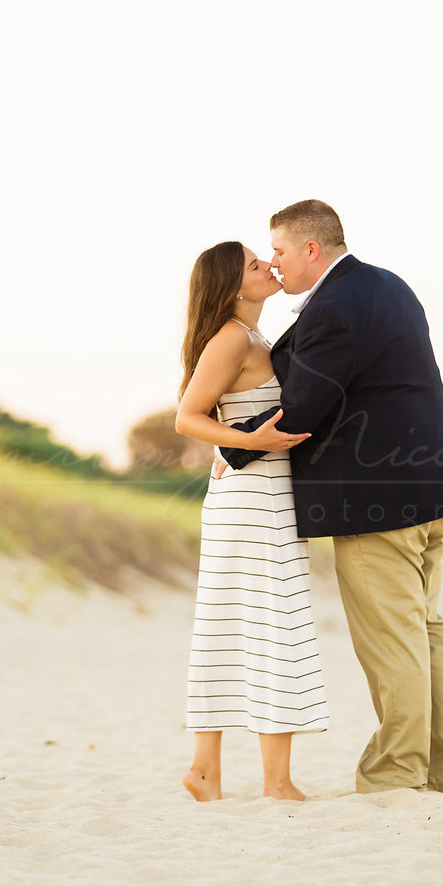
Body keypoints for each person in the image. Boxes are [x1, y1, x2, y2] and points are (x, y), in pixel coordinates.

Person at [219, 200, 443, 794]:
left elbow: (305, 407)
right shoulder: (388, 286)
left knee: (393, 641)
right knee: (425, 632)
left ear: (312, 249)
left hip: (377, 502)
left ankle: (396, 774)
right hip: (431, 489)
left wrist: (229, 447)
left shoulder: (336, 307)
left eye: (280, 251)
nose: (275, 264)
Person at [172, 240, 325, 802]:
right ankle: (274, 782)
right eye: (256, 266)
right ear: (235, 287)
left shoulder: (256, 336)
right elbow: (188, 417)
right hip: (252, 501)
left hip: (262, 496)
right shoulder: (234, 337)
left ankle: (206, 771)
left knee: (237, 629)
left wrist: (240, 442)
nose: (270, 266)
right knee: (270, 628)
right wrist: (245, 441)